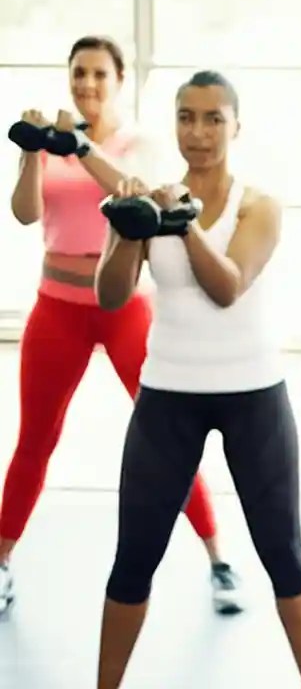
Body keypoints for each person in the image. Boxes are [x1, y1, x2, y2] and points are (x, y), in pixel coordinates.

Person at [91, 70, 301, 689]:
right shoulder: (149, 202)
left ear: (235, 126)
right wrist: (128, 227)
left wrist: (182, 220)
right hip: (168, 394)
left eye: (213, 118)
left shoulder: (258, 205)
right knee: (134, 558)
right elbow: (111, 297)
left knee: (284, 556)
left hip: (253, 394)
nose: (199, 132)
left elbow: (227, 286)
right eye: (187, 118)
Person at [1, 35, 239, 617]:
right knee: (35, 438)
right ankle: (1, 561)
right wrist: (33, 150)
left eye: (99, 74)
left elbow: (133, 195)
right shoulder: (52, 143)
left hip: (125, 305)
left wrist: (78, 144)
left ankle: (218, 559)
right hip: (57, 307)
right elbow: (27, 213)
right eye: (79, 73)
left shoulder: (137, 144)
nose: (87, 83)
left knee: (167, 436)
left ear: (119, 81)